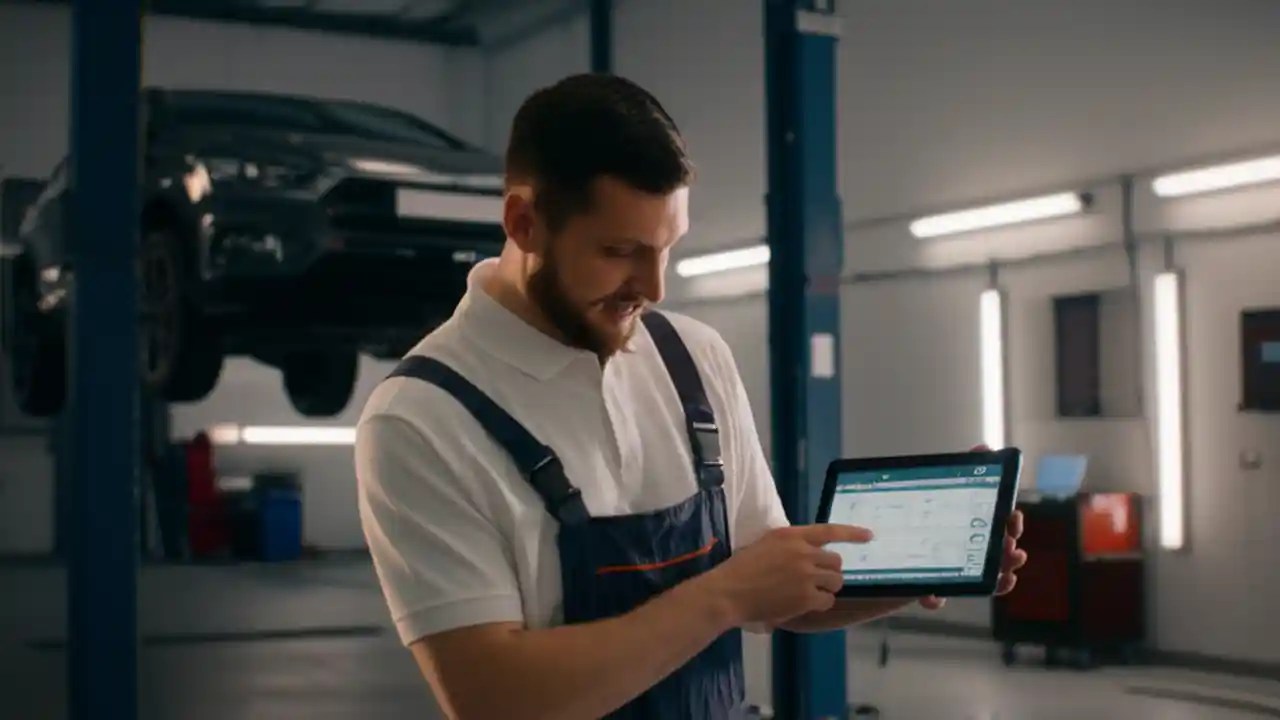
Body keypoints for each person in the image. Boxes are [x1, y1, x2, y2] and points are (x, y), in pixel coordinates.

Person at [354, 73, 1027, 720]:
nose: (653, 286)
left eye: (667, 248)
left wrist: (919, 570)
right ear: (525, 222)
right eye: (619, 250)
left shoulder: (692, 358)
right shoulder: (422, 418)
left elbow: (780, 594)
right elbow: (493, 698)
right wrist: (725, 596)